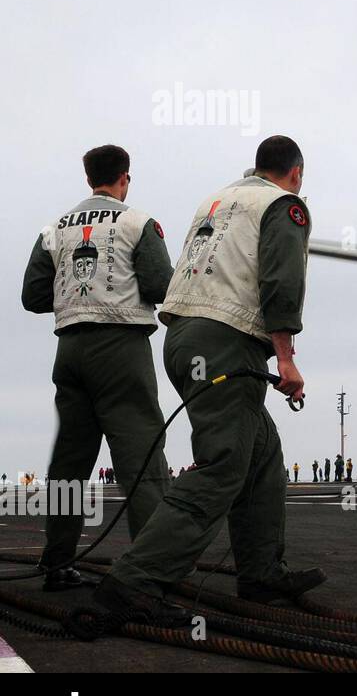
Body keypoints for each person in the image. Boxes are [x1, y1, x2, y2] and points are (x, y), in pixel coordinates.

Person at [92, 136, 323, 627]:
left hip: (184, 338)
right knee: (222, 464)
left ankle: (261, 574)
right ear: (296, 173)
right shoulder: (285, 205)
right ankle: (135, 582)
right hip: (225, 339)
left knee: (260, 449)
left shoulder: (216, 201)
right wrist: (286, 361)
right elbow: (282, 282)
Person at [21, 145, 173, 592]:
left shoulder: (54, 230)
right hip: (121, 347)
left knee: (69, 461)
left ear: (88, 178)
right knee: (141, 458)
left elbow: (32, 296)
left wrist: (77, 299)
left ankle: (58, 563)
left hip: (69, 350)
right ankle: (149, 575)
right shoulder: (137, 222)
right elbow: (159, 284)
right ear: (125, 177)